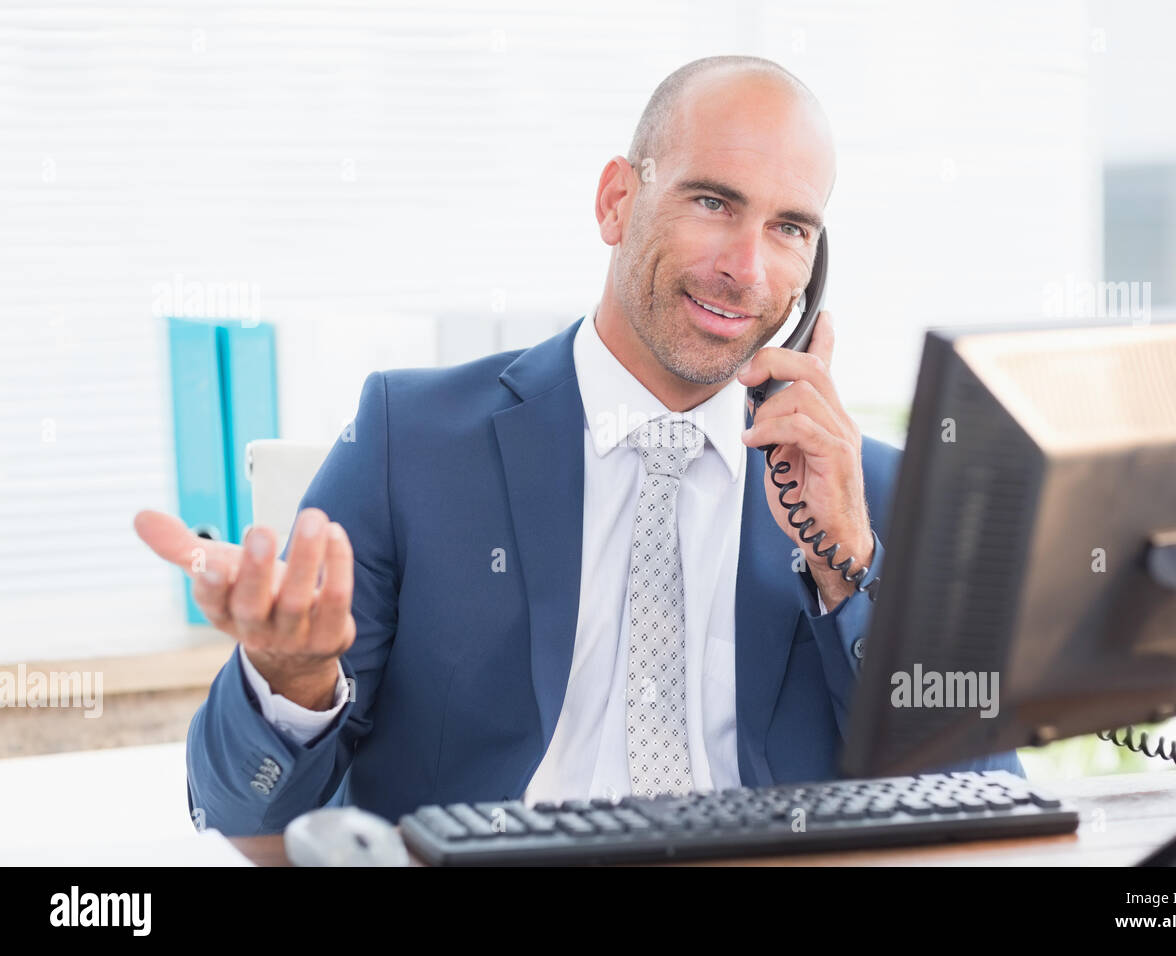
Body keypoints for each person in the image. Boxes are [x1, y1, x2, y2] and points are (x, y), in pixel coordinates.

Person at [136, 55, 1022, 836]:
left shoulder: (866, 490)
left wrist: (849, 568)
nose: (747, 269)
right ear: (616, 201)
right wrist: (287, 680)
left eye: (790, 228)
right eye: (712, 202)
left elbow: (986, 807)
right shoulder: (410, 440)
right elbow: (243, 810)